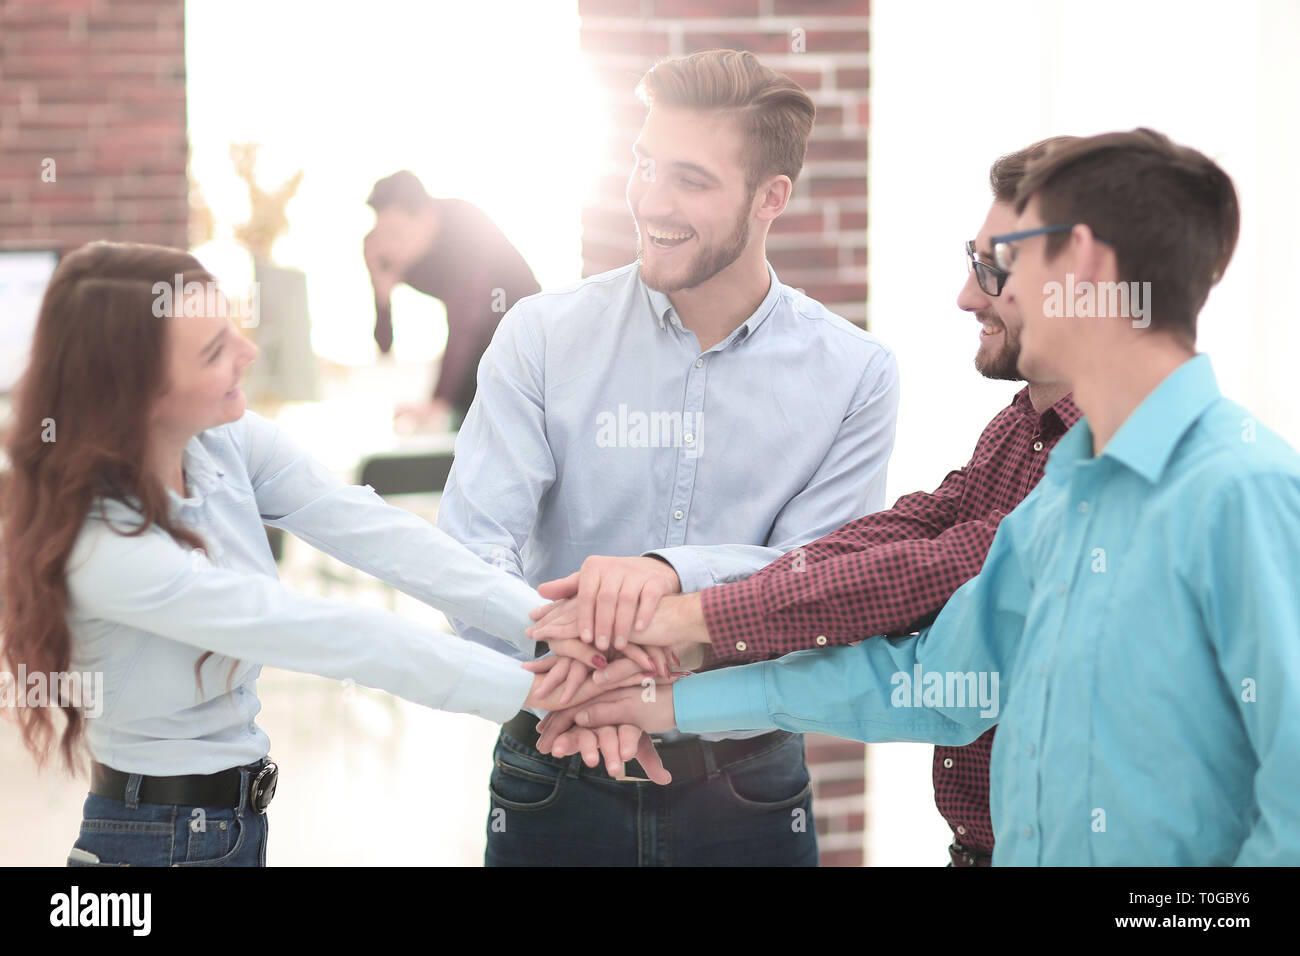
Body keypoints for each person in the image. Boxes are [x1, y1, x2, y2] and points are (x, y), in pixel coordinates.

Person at [546, 128, 1300, 866]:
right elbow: (933, 685)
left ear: (1085, 263)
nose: (973, 292)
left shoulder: (1243, 492)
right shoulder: (1065, 499)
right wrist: (657, 701)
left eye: (1007, 260)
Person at [0, 241, 652, 868]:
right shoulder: (103, 545)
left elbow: (375, 530)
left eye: (235, 329)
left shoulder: (221, 442)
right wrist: (552, 694)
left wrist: (552, 630)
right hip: (153, 843)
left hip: (227, 828)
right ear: (140, 392)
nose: (248, 352)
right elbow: (327, 633)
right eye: (213, 351)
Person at [529, 136, 1082, 867]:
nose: (966, 295)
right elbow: (909, 530)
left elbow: (931, 631)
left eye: (993, 270)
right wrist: (677, 615)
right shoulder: (1022, 428)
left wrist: (685, 633)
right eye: (971, 262)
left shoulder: (1105, 465)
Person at [436, 49, 900, 866]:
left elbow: (818, 588)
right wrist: (585, 679)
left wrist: (671, 574)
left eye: (689, 178)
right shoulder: (542, 337)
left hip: (746, 794)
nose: (651, 199)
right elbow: (470, 556)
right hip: (549, 776)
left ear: (771, 198)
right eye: (645, 165)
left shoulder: (856, 375)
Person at [363, 171, 540, 432]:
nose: (389, 245)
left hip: (515, 320)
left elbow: (466, 319)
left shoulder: (465, 227)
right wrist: (381, 296)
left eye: (396, 233)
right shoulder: (380, 248)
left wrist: (439, 402)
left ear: (427, 218)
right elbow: (385, 345)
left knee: (474, 416)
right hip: (470, 336)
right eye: (382, 231)